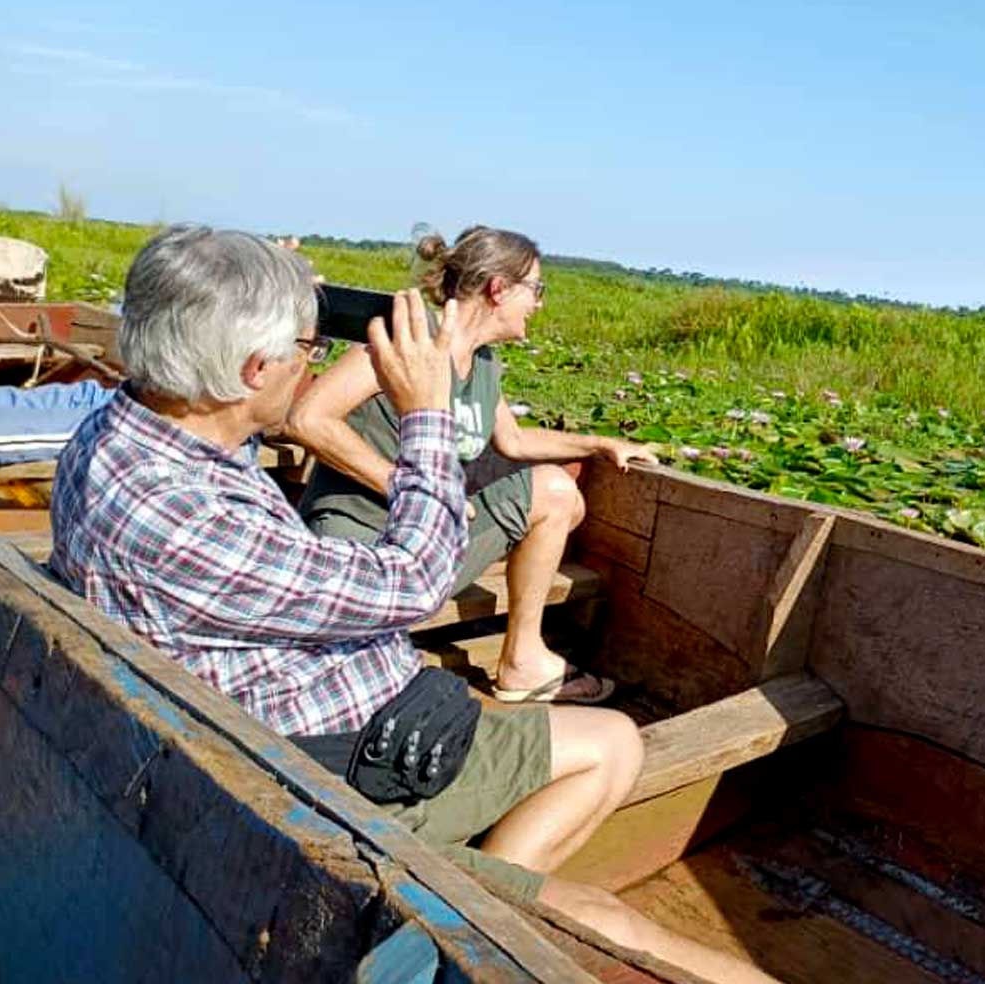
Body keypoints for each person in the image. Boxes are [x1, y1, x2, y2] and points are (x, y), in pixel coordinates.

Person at [50, 225, 773, 983]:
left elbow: (488, 442)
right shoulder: (185, 519)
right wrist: (425, 416)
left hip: (277, 732)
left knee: (610, 743)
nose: (316, 357)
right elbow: (415, 585)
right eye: (306, 345)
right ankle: (466, 924)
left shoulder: (131, 433)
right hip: (337, 774)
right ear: (253, 368)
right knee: (606, 912)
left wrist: (271, 286)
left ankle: (471, 901)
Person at [289, 225, 654, 704]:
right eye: (535, 289)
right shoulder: (404, 346)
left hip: (430, 545)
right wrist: (406, 486)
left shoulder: (483, 363)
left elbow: (515, 441)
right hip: (360, 546)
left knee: (556, 493)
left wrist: (600, 444)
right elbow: (306, 418)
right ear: (498, 289)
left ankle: (522, 659)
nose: (539, 303)